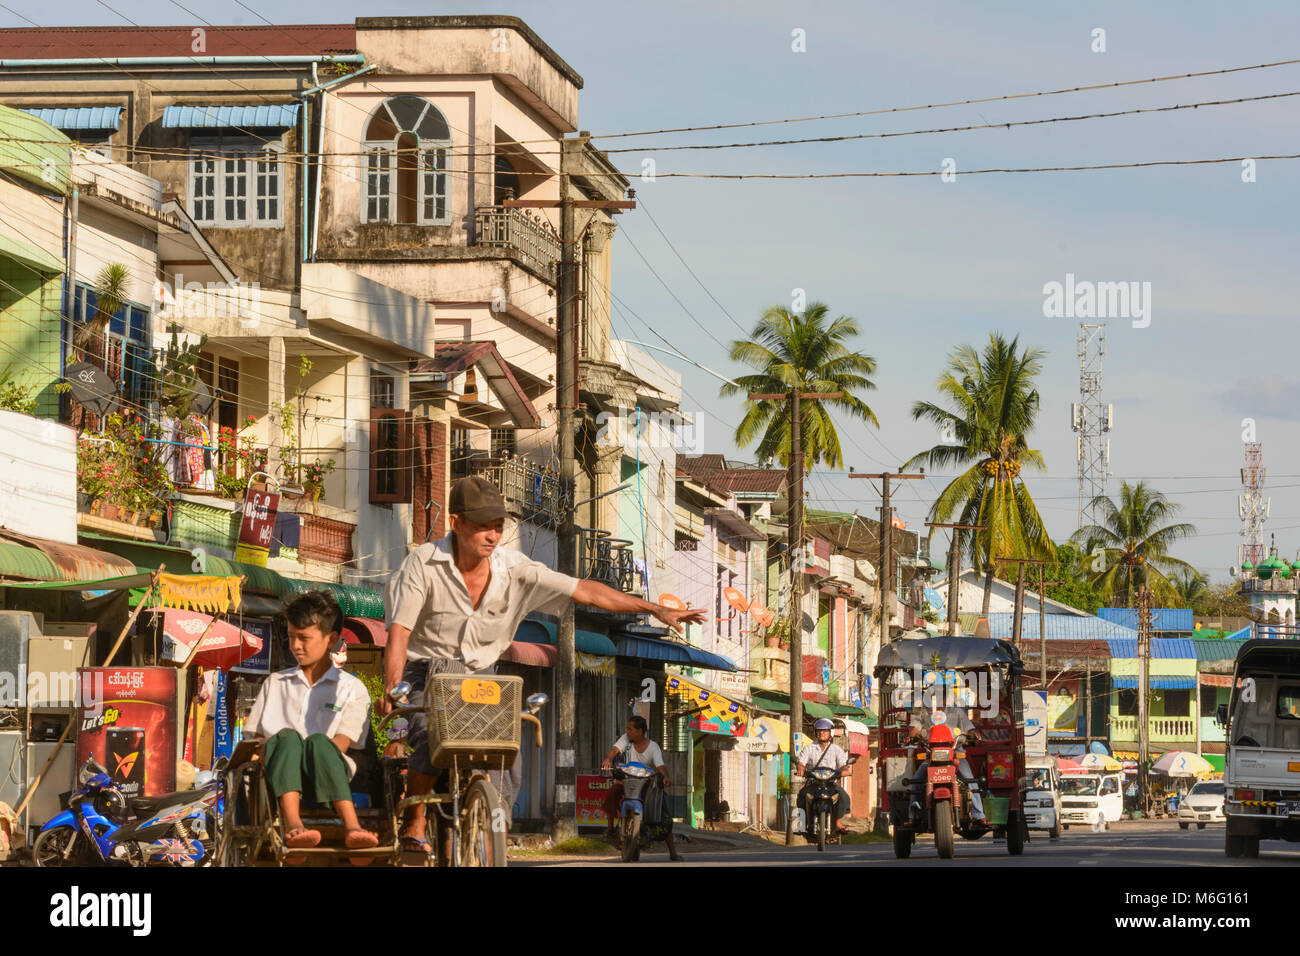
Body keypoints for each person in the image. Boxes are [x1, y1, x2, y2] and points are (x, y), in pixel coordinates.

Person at [381, 476, 706, 858]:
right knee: (430, 736)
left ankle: (489, 842)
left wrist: (653, 609)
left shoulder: (514, 568)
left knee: (503, 756)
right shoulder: (423, 563)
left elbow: (584, 589)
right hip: (427, 668)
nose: (492, 534)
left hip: (481, 675)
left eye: (498, 526)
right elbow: (399, 633)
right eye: (482, 525)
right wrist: (392, 687)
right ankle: (415, 821)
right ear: (456, 523)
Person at [243, 591, 378, 861]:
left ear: (331, 640)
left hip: (328, 769)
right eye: (291, 636)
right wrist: (273, 747)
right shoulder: (274, 683)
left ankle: (353, 828)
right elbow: (255, 740)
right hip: (278, 775)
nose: (295, 645)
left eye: (304, 638)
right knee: (286, 739)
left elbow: (344, 741)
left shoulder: (352, 688)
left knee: (318, 743)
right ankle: (294, 825)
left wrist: (307, 751)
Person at [600, 716, 683, 862]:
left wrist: (665, 776)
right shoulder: (626, 739)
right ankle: (610, 828)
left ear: (640, 731)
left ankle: (672, 852)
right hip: (627, 781)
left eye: (630, 729)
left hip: (646, 783)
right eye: (627, 729)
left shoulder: (653, 747)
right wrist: (608, 759)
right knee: (613, 791)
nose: (627, 731)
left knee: (662, 811)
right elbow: (614, 750)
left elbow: (659, 765)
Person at [904, 697, 987, 824]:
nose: (937, 701)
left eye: (940, 695)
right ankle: (913, 816)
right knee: (916, 780)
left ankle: (979, 814)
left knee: (970, 780)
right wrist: (911, 736)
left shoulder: (957, 712)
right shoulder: (923, 713)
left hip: (955, 753)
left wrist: (973, 734)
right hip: (931, 754)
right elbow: (914, 729)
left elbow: (969, 728)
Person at [794, 718, 852, 834]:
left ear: (830, 733)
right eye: (819, 731)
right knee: (802, 795)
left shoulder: (836, 749)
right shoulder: (809, 748)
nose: (822, 733)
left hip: (830, 783)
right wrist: (800, 769)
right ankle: (802, 823)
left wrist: (845, 771)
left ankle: (838, 822)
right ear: (816, 732)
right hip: (813, 783)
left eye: (825, 731)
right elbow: (801, 763)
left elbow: (843, 765)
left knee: (843, 796)